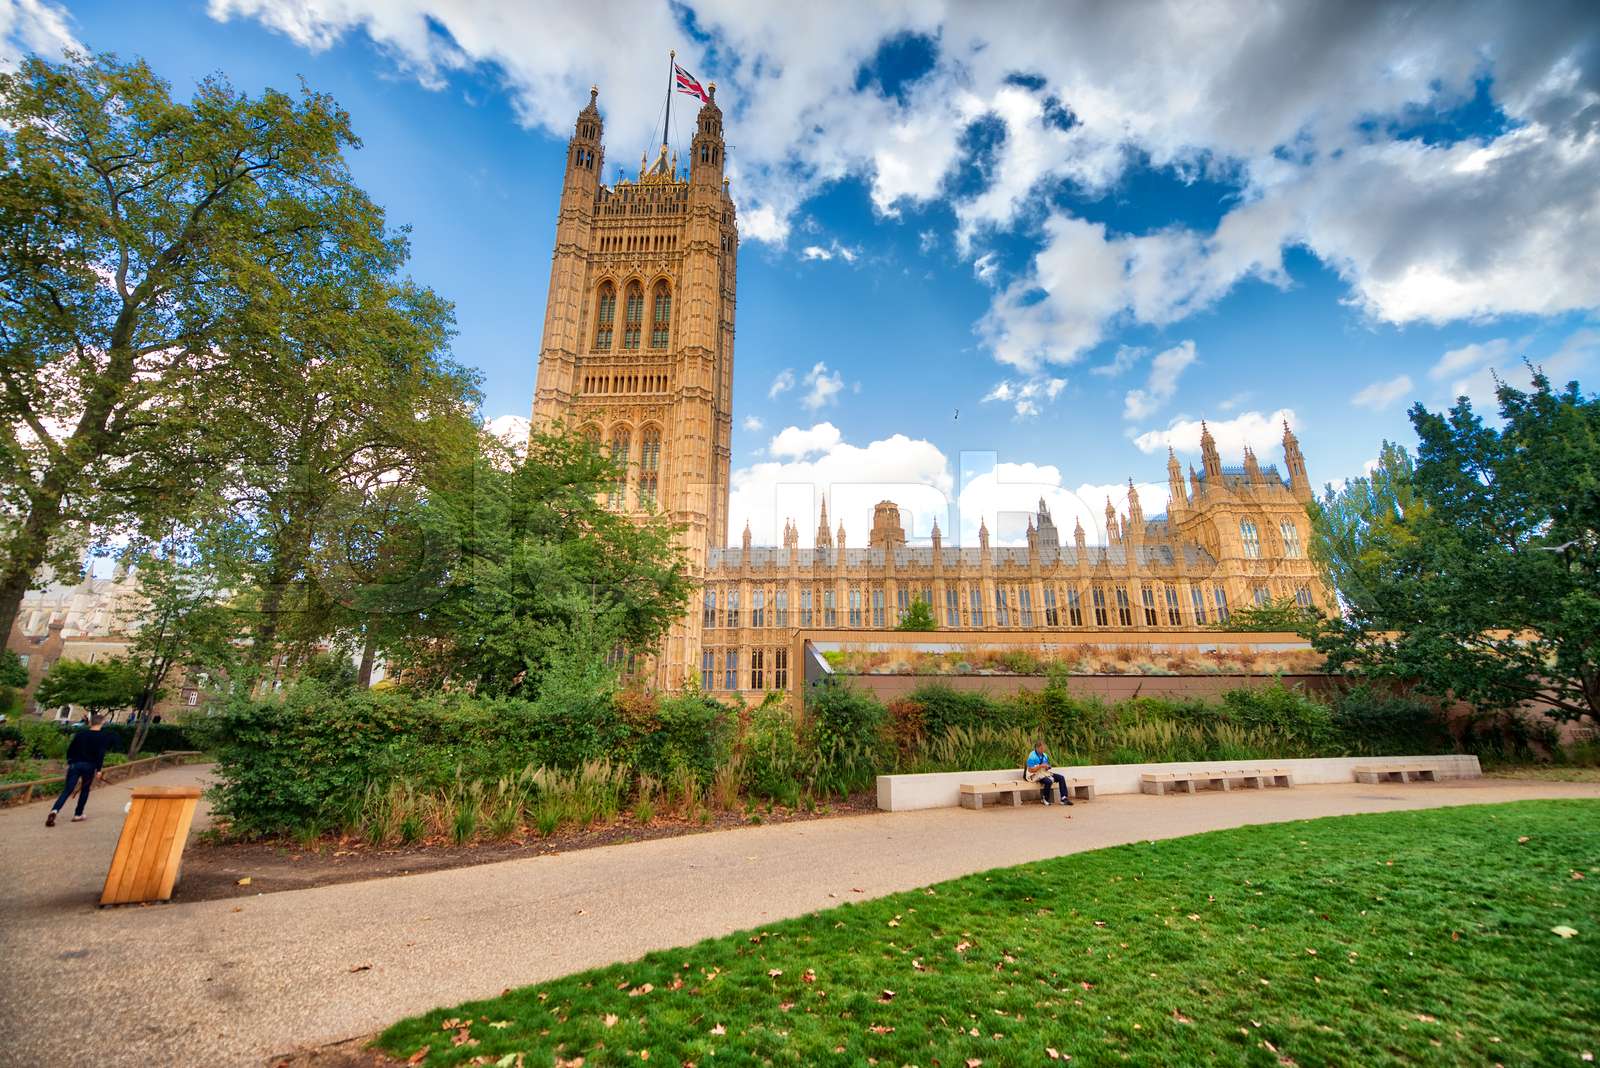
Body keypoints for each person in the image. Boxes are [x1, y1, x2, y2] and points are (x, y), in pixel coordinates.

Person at [46, 712, 118, 826]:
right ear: (102, 722)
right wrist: (99, 770)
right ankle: (78, 814)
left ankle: (54, 810)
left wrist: (70, 761)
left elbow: (70, 749)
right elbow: (100, 754)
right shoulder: (102, 737)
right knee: (85, 790)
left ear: (90, 722)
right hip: (89, 766)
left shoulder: (80, 734)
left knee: (67, 790)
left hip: (75, 764)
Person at [1025, 742, 1073, 806]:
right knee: (1048, 781)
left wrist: (1047, 767)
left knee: (1061, 778)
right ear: (1037, 748)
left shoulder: (1045, 755)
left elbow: (1046, 766)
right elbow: (1030, 770)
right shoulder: (1032, 756)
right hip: (1034, 775)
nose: (1043, 750)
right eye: (1041, 748)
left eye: (1044, 749)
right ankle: (1045, 799)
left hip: (1044, 773)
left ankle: (1064, 798)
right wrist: (1041, 766)